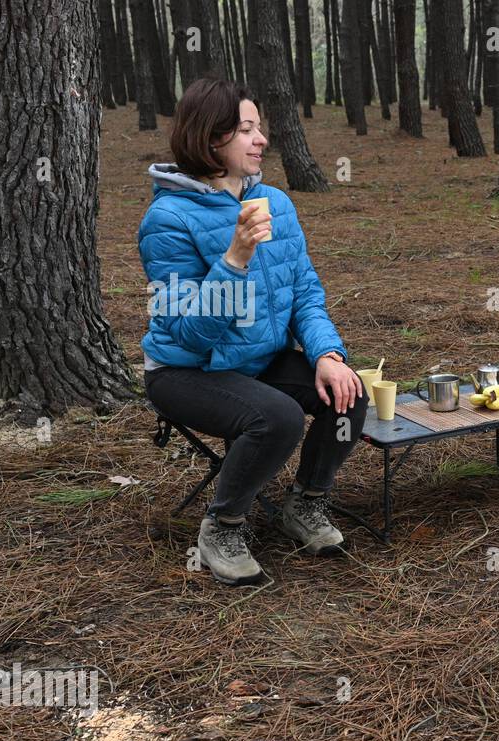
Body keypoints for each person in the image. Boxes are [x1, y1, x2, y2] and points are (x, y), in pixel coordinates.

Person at [139, 77, 367, 586]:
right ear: (210, 137)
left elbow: (304, 290)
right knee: (278, 417)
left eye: (259, 127)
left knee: (349, 393)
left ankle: (306, 504)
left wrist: (328, 353)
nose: (261, 138)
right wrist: (235, 258)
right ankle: (221, 528)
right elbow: (190, 333)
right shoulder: (167, 218)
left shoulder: (276, 204)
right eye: (246, 129)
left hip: (255, 359)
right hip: (185, 370)